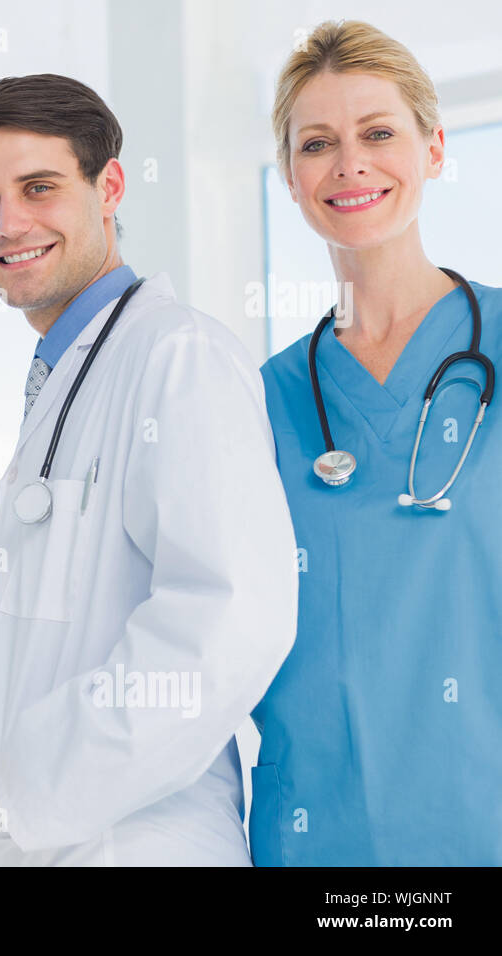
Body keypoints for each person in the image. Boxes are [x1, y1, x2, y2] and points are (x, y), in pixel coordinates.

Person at [0, 74, 299, 866]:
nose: (9, 223)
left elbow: (232, 618)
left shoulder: (178, 357)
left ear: (110, 187)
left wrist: (32, 784)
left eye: (39, 187)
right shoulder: (65, 382)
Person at [251, 20, 502, 866]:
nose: (350, 164)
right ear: (290, 177)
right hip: (319, 842)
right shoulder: (261, 402)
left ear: (434, 149)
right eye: (318, 143)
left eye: (379, 133)